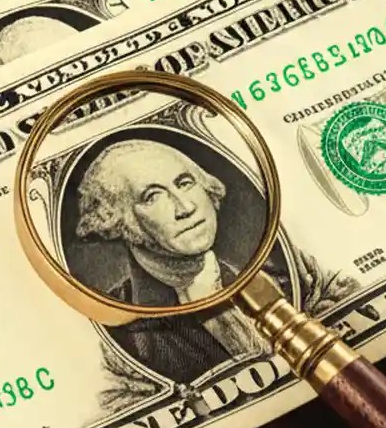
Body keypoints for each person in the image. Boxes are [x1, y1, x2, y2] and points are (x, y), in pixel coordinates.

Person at [73, 138, 271, 383]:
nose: (185, 207)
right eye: (153, 197)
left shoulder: (280, 277)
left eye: (185, 183)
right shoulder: (122, 336)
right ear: (120, 221)